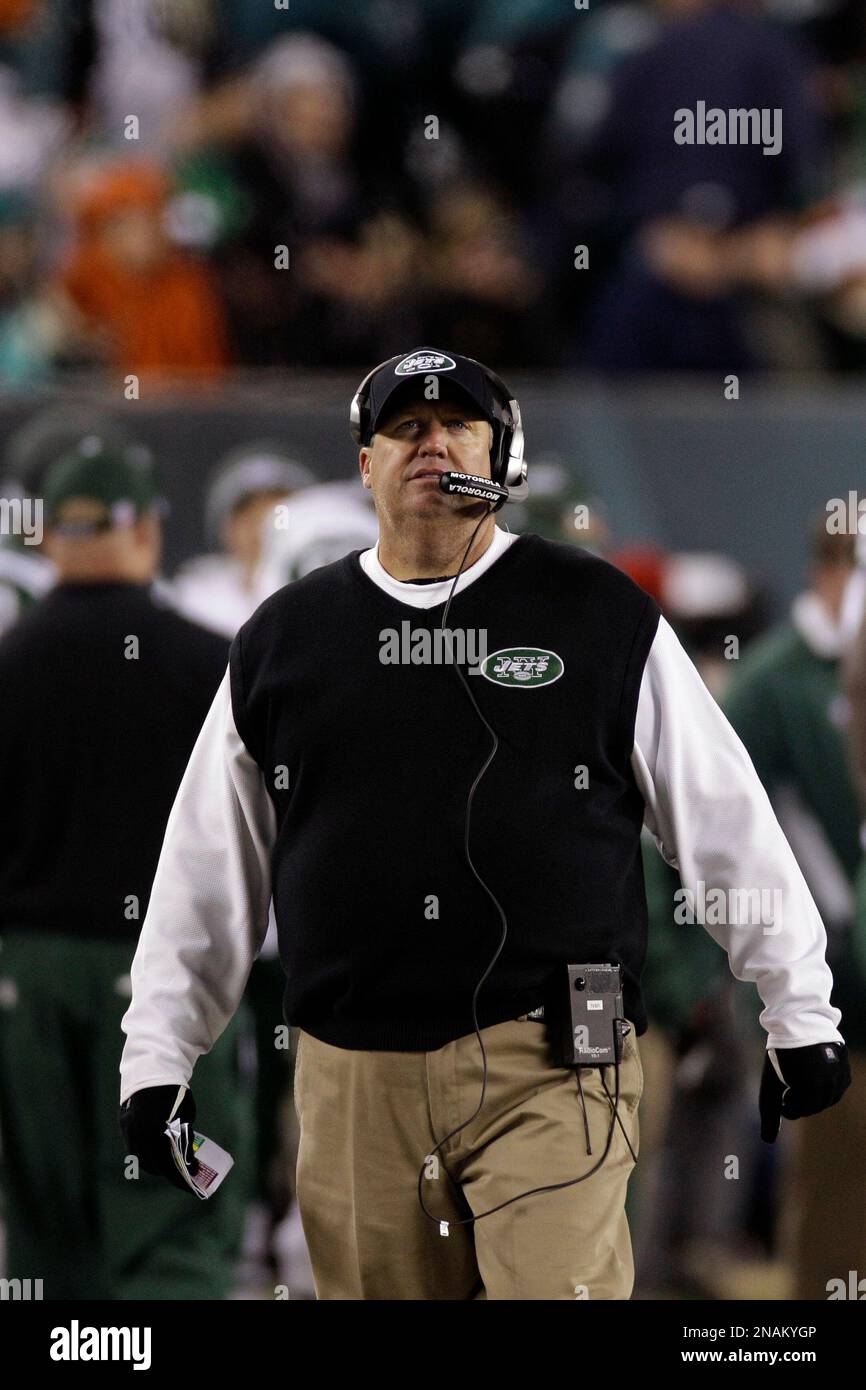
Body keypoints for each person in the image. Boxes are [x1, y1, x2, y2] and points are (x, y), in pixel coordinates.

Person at [120, 347, 850, 1301]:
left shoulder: (599, 614)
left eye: (459, 424)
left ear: (502, 454)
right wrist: (157, 1053)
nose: (433, 443)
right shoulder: (285, 638)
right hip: (353, 1078)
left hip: (552, 1059)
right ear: (364, 463)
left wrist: (798, 1006)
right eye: (406, 427)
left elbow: (723, 819)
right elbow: (207, 868)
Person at [0, 436, 253, 1299]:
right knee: (176, 1221)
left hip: (23, 994)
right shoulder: (212, 666)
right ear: (146, 528)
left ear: (49, 536)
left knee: (43, 1243)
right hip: (165, 994)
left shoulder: (8, 662)